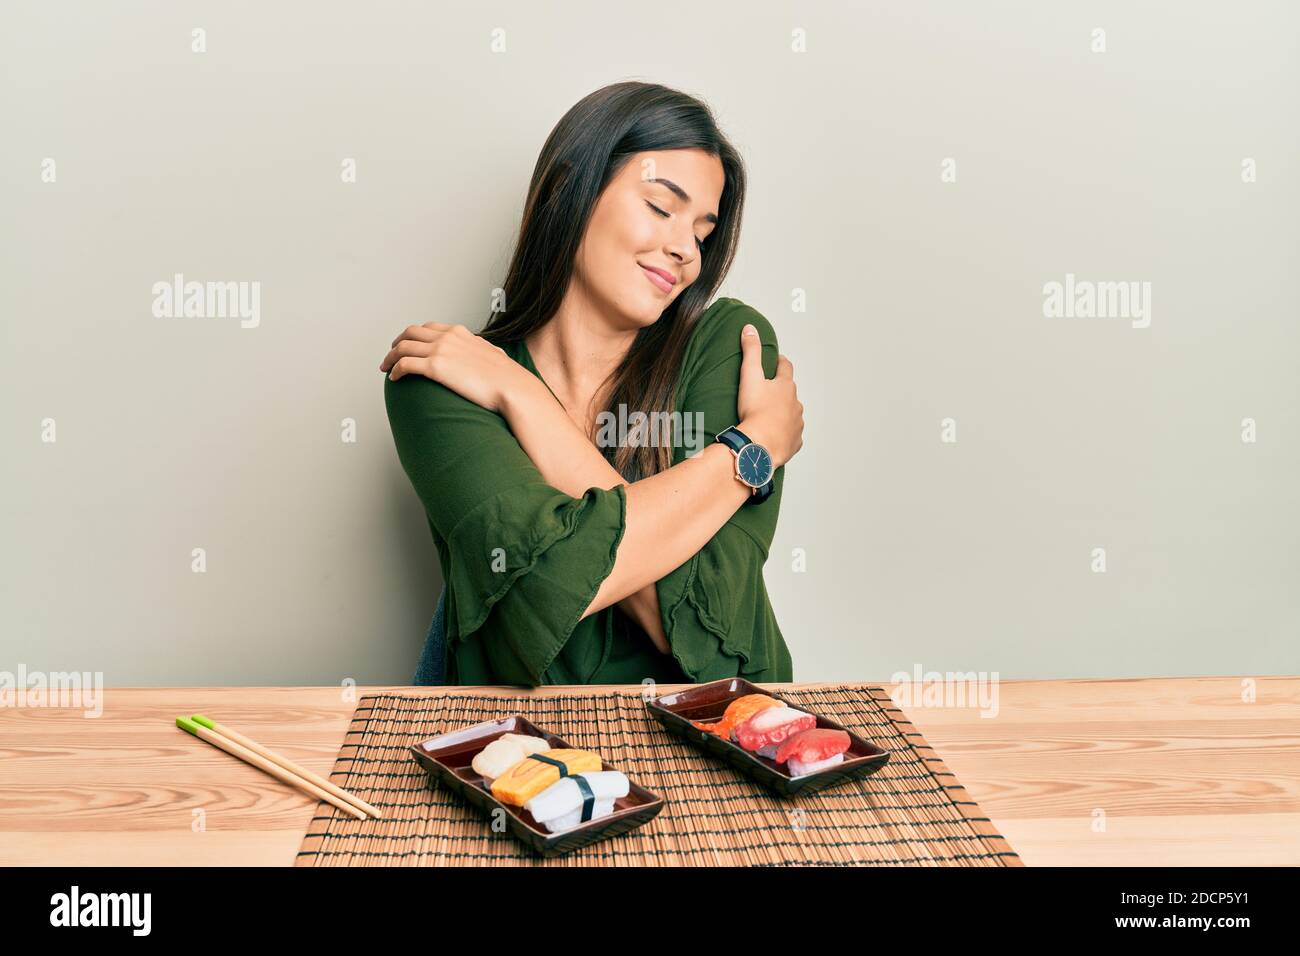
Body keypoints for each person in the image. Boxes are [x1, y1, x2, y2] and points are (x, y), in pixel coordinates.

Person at [381, 81, 804, 686]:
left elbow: (694, 626)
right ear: (568, 192)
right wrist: (753, 447)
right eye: (660, 207)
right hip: (519, 760)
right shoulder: (441, 382)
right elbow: (558, 585)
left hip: (724, 750)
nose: (686, 249)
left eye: (703, 232)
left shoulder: (729, 346)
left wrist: (521, 398)